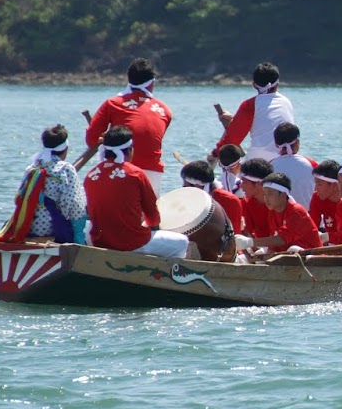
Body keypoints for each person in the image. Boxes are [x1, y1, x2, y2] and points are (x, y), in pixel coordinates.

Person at [82, 125, 192, 258]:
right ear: (129, 150)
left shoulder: (90, 175)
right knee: (182, 242)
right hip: (131, 242)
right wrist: (153, 227)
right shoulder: (135, 173)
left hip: (99, 241)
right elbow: (152, 215)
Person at [86, 57, 173, 192]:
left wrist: (104, 138)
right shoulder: (165, 110)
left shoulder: (112, 104)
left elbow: (91, 140)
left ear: (128, 79)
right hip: (153, 173)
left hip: (120, 169)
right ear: (151, 84)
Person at [1, 124, 88, 243]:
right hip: (52, 230)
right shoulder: (65, 169)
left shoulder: (32, 168)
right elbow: (74, 204)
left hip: (27, 227)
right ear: (65, 149)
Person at [212, 61, 297, 164]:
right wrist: (235, 120)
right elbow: (266, 122)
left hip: (258, 163)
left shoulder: (249, 105)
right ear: (277, 84)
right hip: (287, 159)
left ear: (253, 84)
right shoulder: (286, 102)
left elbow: (232, 141)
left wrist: (214, 154)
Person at [250, 172, 322, 253]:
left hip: (311, 257)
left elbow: (282, 239)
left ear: (283, 195)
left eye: (270, 194)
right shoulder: (272, 213)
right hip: (288, 255)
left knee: (294, 249)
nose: (266, 198)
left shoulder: (296, 212)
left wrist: (250, 242)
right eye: (264, 194)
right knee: (259, 253)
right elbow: (274, 244)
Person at [179, 159, 244, 236]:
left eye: (185, 186)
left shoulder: (229, 201)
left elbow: (233, 237)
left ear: (197, 186)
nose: (185, 190)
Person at [269, 122, 315, 206]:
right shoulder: (312, 164)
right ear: (297, 142)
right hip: (307, 216)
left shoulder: (270, 166)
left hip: (280, 217)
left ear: (276, 144)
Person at [236, 157, 276, 239]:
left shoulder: (279, 205)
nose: (241, 186)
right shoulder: (244, 203)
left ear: (258, 184)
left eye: (245, 182)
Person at [308, 158, 341, 238]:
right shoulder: (317, 197)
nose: (315, 189)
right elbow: (312, 226)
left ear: (334, 185)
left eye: (319, 184)